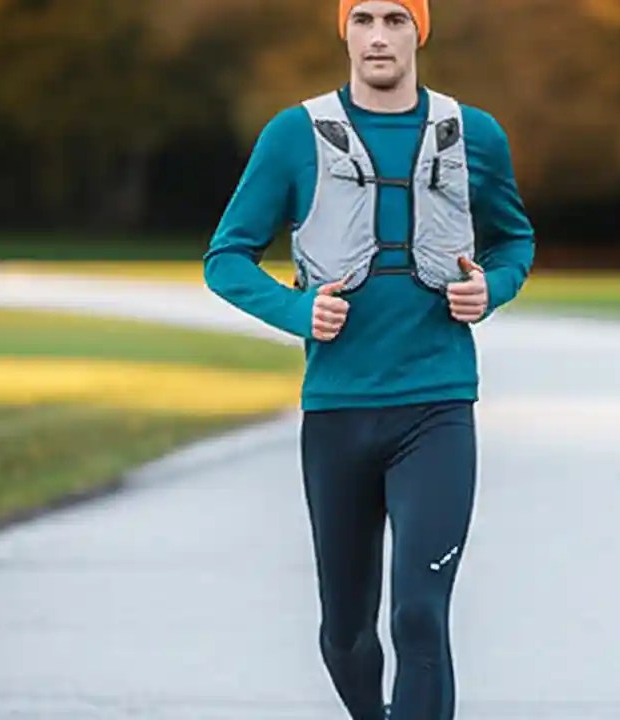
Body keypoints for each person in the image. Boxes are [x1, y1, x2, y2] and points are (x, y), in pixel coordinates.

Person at [202, 0, 535, 716]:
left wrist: (491, 289)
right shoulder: (294, 135)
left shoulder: (473, 134)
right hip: (338, 414)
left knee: (419, 615)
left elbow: (515, 242)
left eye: (394, 18)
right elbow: (225, 259)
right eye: (363, 19)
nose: (378, 36)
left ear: (419, 29)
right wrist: (297, 310)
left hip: (437, 408)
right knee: (346, 636)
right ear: (344, 29)